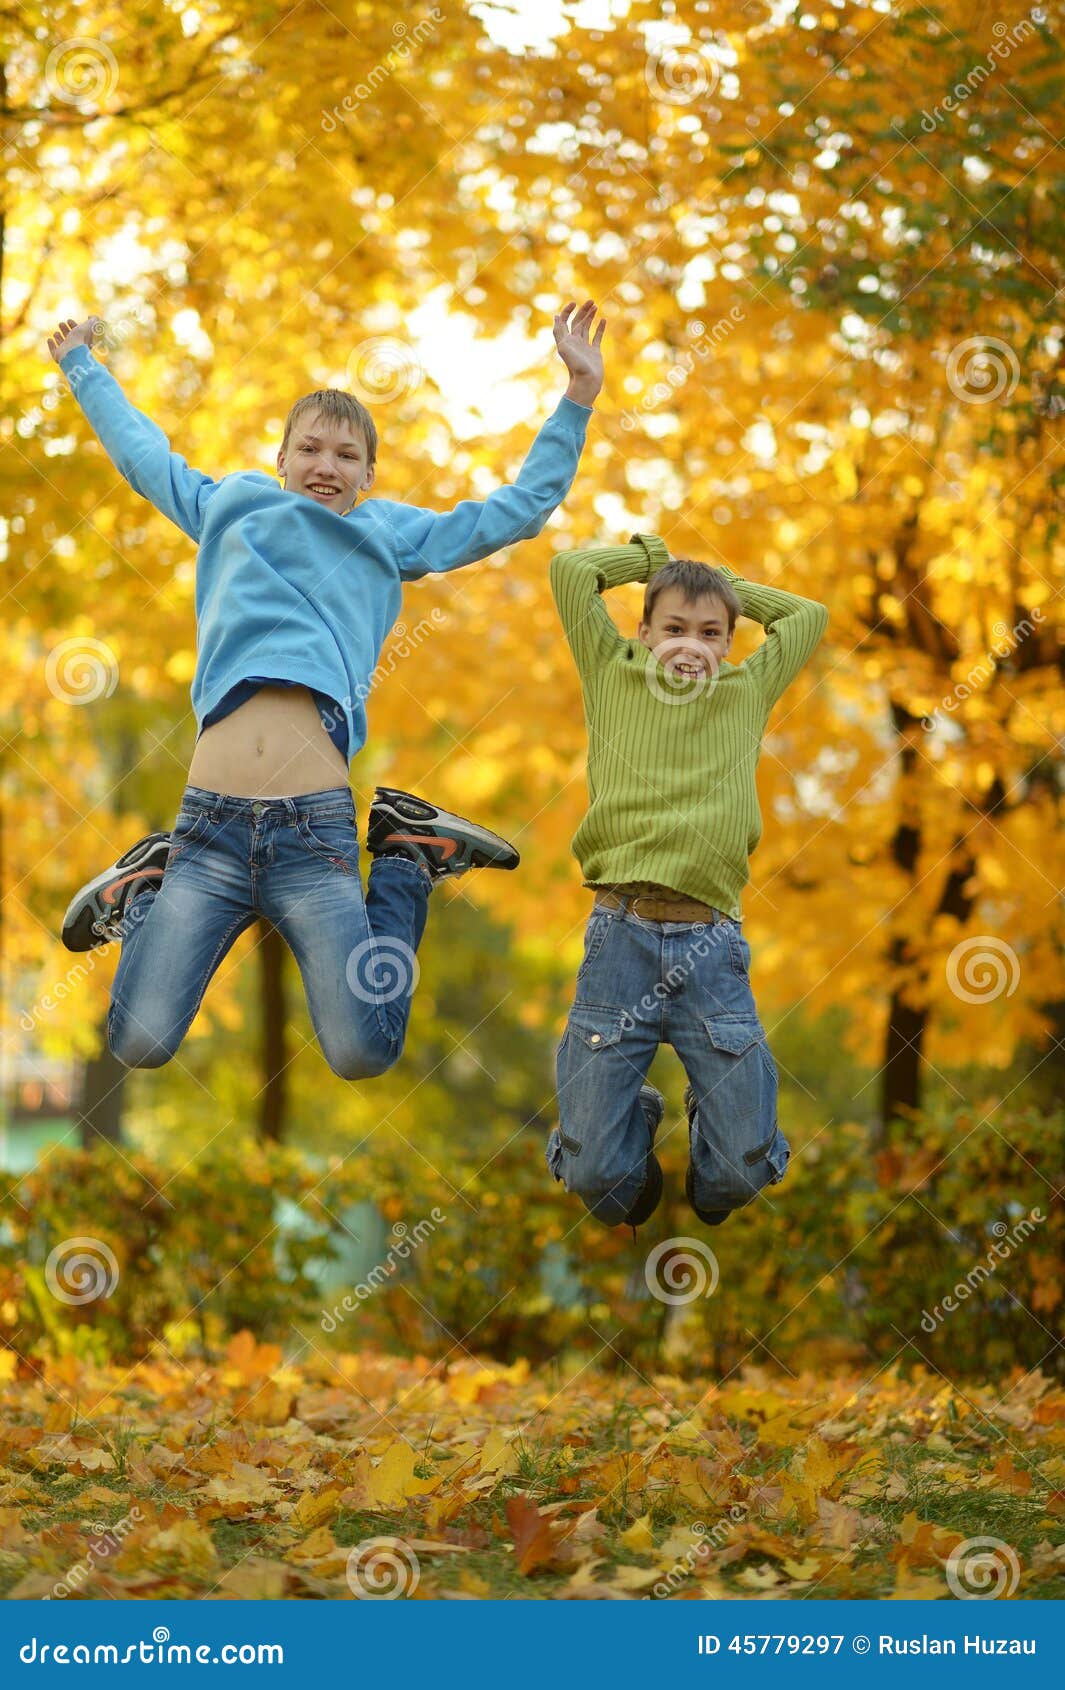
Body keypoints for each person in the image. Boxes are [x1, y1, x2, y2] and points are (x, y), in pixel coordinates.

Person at [49, 301, 605, 1078]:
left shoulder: (384, 533)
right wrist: (81, 365)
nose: (325, 465)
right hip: (208, 830)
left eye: (346, 455)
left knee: (360, 1049)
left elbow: (512, 513)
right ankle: (144, 892)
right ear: (280, 459)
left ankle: (406, 855)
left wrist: (576, 397)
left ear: (368, 476)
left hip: (311, 837)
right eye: (309, 448)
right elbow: (145, 457)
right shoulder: (229, 508)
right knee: (138, 1041)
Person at [544, 534, 828, 1235]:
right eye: (673, 627)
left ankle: (712, 1120)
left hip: (711, 947)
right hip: (620, 940)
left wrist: (723, 585)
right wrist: (655, 562)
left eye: (709, 633)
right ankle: (633, 1114)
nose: (690, 645)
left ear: (729, 644)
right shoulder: (611, 670)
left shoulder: (745, 689)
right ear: (642, 633)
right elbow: (570, 571)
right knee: (593, 1175)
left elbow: (807, 617)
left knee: (737, 1173)